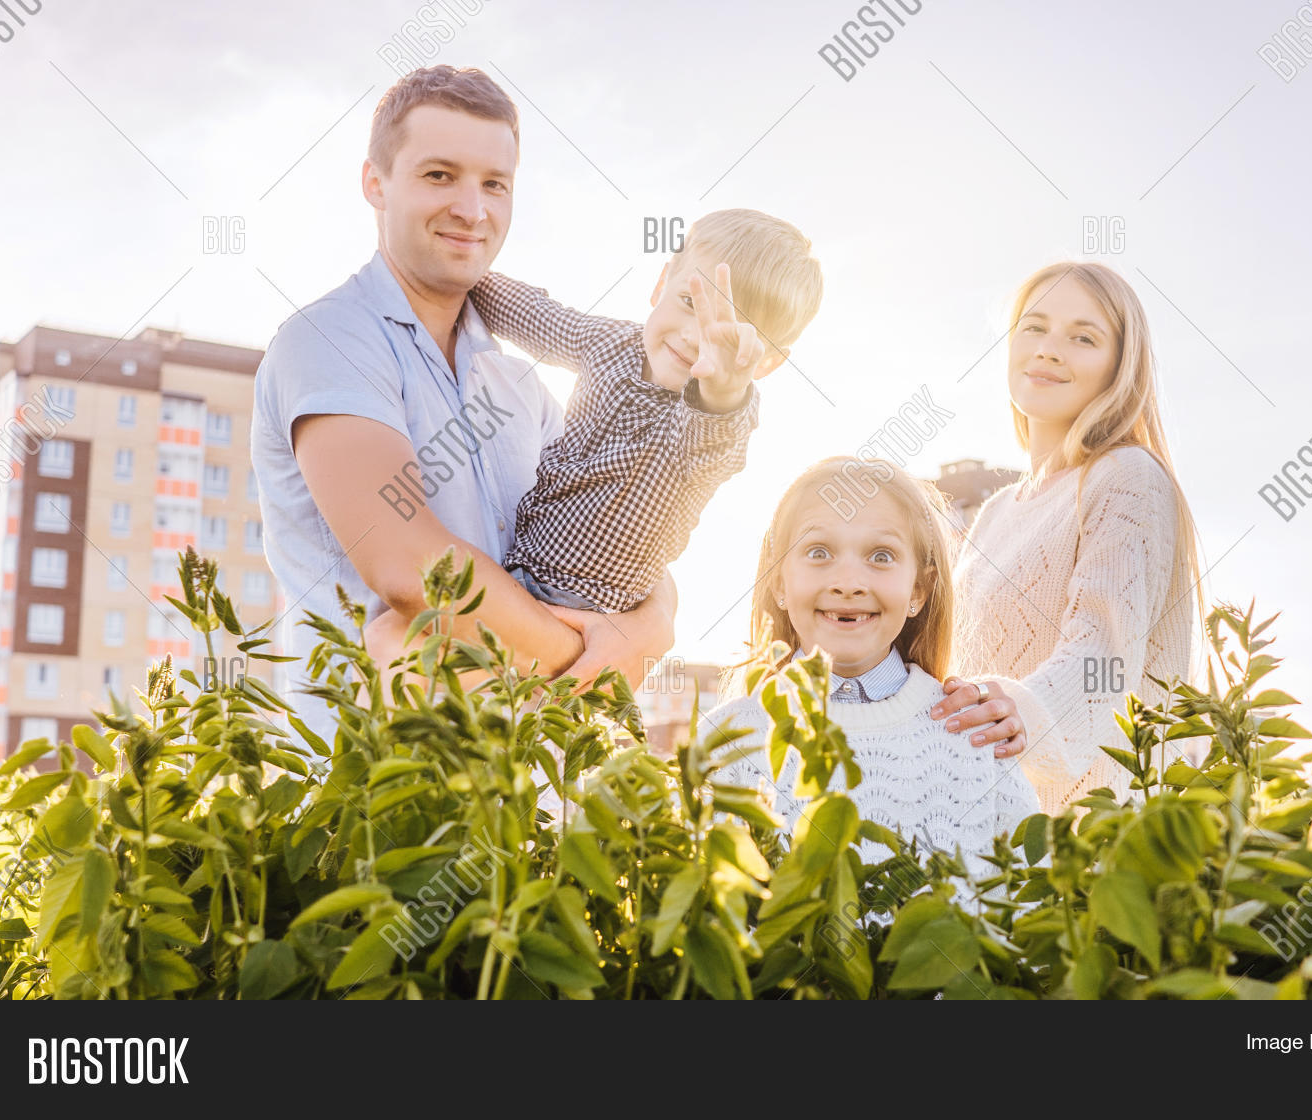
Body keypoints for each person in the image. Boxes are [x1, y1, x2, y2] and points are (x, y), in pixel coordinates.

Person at [250, 65, 675, 750]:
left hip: (529, 789)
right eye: (439, 175)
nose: (473, 210)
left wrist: (652, 626)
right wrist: (593, 664)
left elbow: (621, 527)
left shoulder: (520, 384)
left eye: (494, 184)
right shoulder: (328, 341)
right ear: (375, 183)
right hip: (376, 784)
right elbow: (410, 567)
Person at [929, 261, 1203, 816]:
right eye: (1034, 327)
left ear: (1119, 367)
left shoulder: (1126, 476)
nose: (1049, 350)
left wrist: (1022, 711)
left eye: (1083, 337)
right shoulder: (994, 512)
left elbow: (1105, 656)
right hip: (982, 830)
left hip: (1089, 834)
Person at [464, 208, 823, 613]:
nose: (694, 337)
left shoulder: (707, 418)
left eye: (727, 336)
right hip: (518, 563)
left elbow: (716, 434)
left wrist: (723, 389)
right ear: (661, 284)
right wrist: (468, 275)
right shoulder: (613, 344)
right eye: (690, 302)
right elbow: (540, 318)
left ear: (766, 362)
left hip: (586, 607)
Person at [707, 457, 1037, 891]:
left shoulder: (975, 735)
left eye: (881, 556)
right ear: (779, 582)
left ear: (919, 589)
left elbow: (1034, 902)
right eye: (818, 552)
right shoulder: (726, 740)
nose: (848, 583)